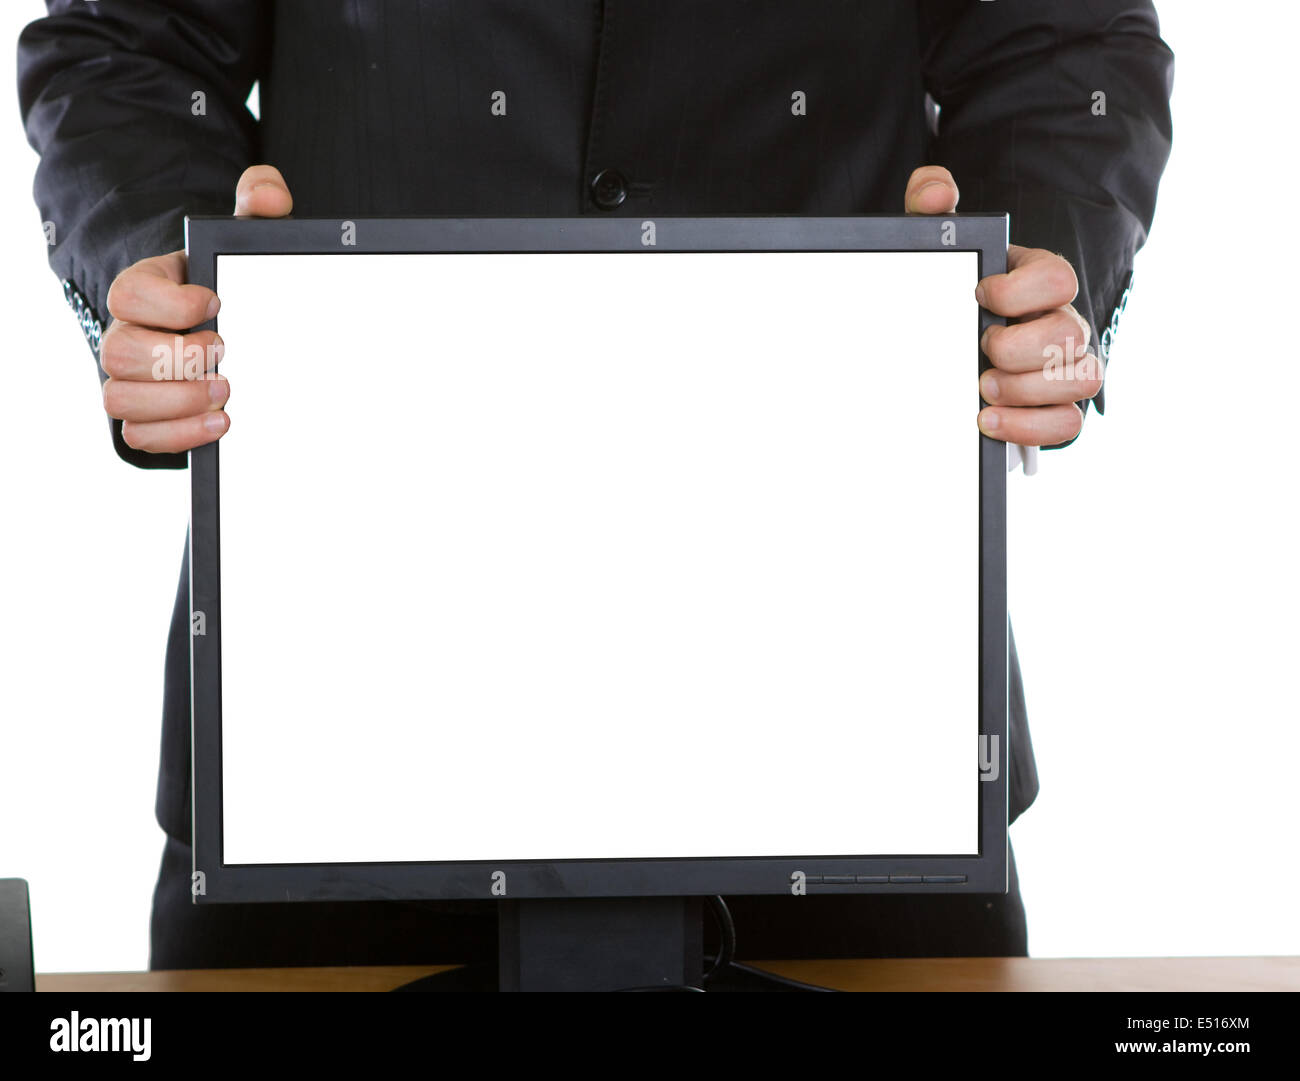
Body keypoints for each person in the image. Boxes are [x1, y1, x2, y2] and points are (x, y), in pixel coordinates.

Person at [18, 0, 1173, 969]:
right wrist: (163, 267)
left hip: (849, 687)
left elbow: (1060, 39)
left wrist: (1034, 261)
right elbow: (126, 45)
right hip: (333, 691)